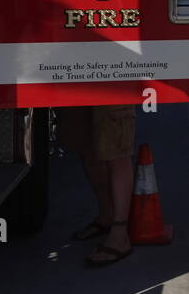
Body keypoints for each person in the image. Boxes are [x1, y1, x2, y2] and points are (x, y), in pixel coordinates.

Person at [57, 105, 136, 266]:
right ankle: (106, 216)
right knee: (86, 145)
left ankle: (120, 235)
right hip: (74, 84)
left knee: (116, 149)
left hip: (110, 84)